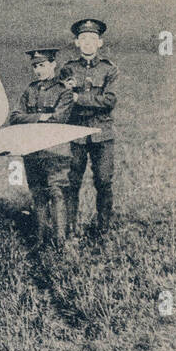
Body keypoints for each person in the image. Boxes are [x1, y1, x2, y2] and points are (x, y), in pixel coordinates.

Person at [9, 48, 75, 248]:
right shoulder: (30, 90)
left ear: (53, 64)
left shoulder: (64, 91)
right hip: (33, 151)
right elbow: (15, 117)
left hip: (56, 151)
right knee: (37, 195)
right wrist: (41, 117)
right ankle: (40, 240)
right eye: (35, 66)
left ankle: (59, 241)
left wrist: (33, 120)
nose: (38, 70)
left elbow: (59, 120)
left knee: (57, 194)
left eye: (42, 65)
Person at [59, 18, 119, 234]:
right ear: (76, 42)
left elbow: (109, 101)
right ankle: (71, 228)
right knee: (71, 181)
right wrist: (72, 97)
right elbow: (64, 98)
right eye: (83, 39)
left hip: (102, 134)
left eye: (92, 39)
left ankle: (104, 229)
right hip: (76, 134)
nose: (87, 43)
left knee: (103, 181)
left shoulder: (109, 69)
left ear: (100, 43)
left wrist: (78, 99)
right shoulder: (67, 70)